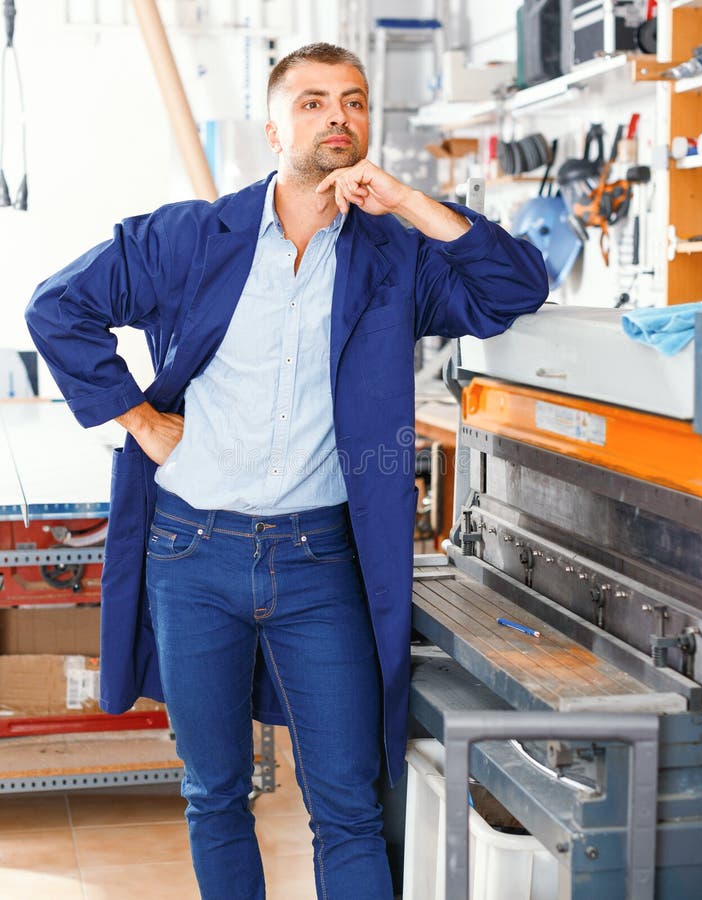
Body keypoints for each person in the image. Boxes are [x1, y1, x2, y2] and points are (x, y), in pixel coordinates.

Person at [25, 43, 547, 900]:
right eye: (312, 101)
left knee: (348, 805)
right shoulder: (192, 238)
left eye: (354, 100)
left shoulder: (393, 257)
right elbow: (57, 307)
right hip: (192, 556)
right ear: (273, 129)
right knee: (215, 794)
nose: (338, 115)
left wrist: (410, 201)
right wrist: (141, 420)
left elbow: (513, 289)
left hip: (320, 562)